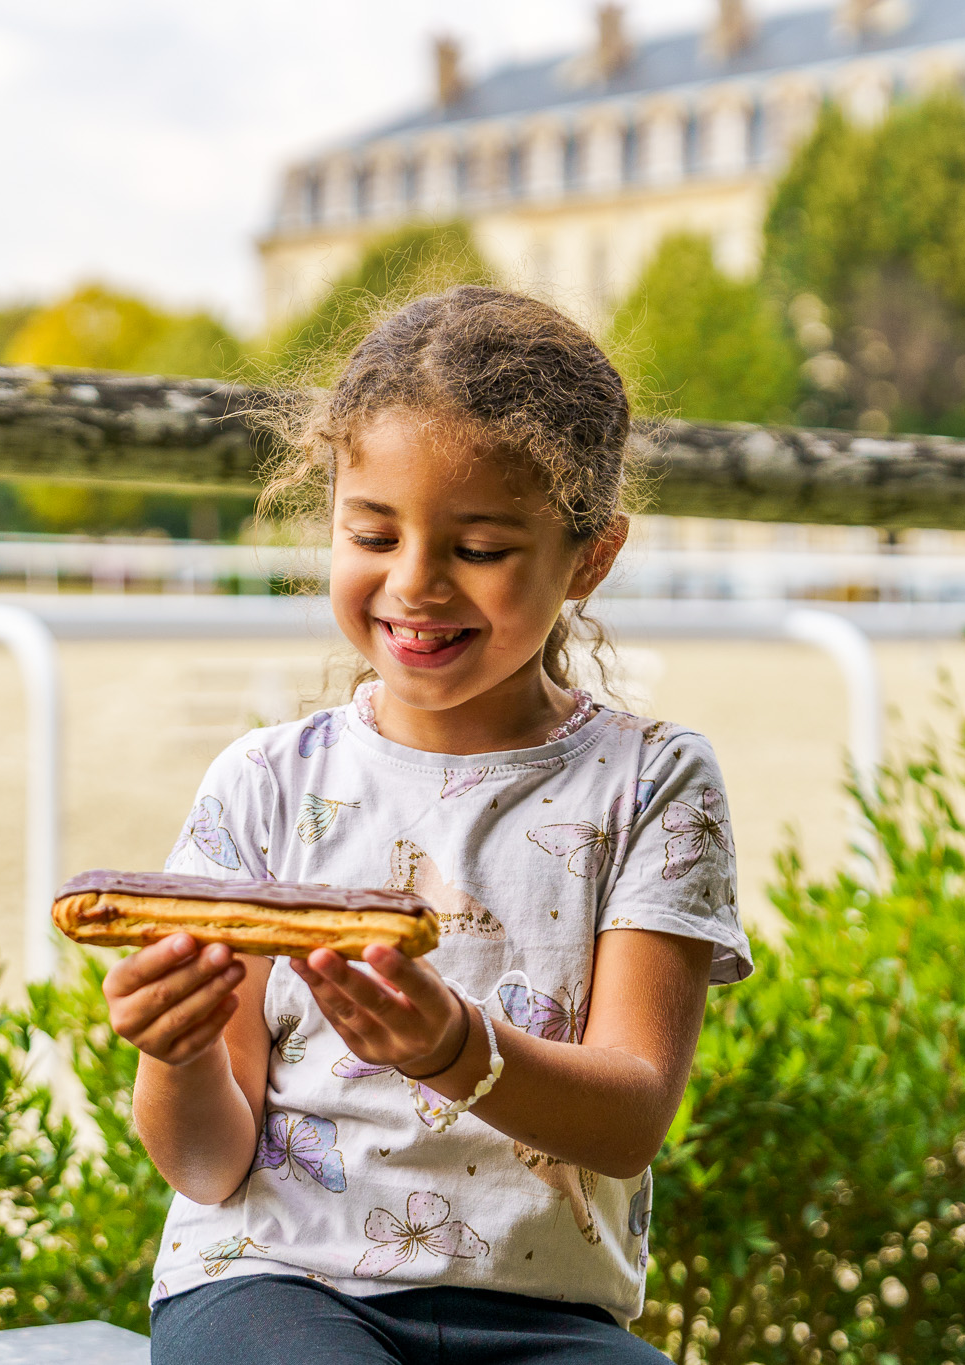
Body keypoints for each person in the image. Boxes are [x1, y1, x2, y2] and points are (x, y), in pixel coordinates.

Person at [103, 286, 751, 1362]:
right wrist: (171, 1058)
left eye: (480, 547)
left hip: (547, 1317)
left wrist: (455, 1048)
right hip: (275, 1283)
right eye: (371, 532)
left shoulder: (650, 782)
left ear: (589, 556)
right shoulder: (264, 783)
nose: (413, 583)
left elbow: (632, 1120)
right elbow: (207, 1166)